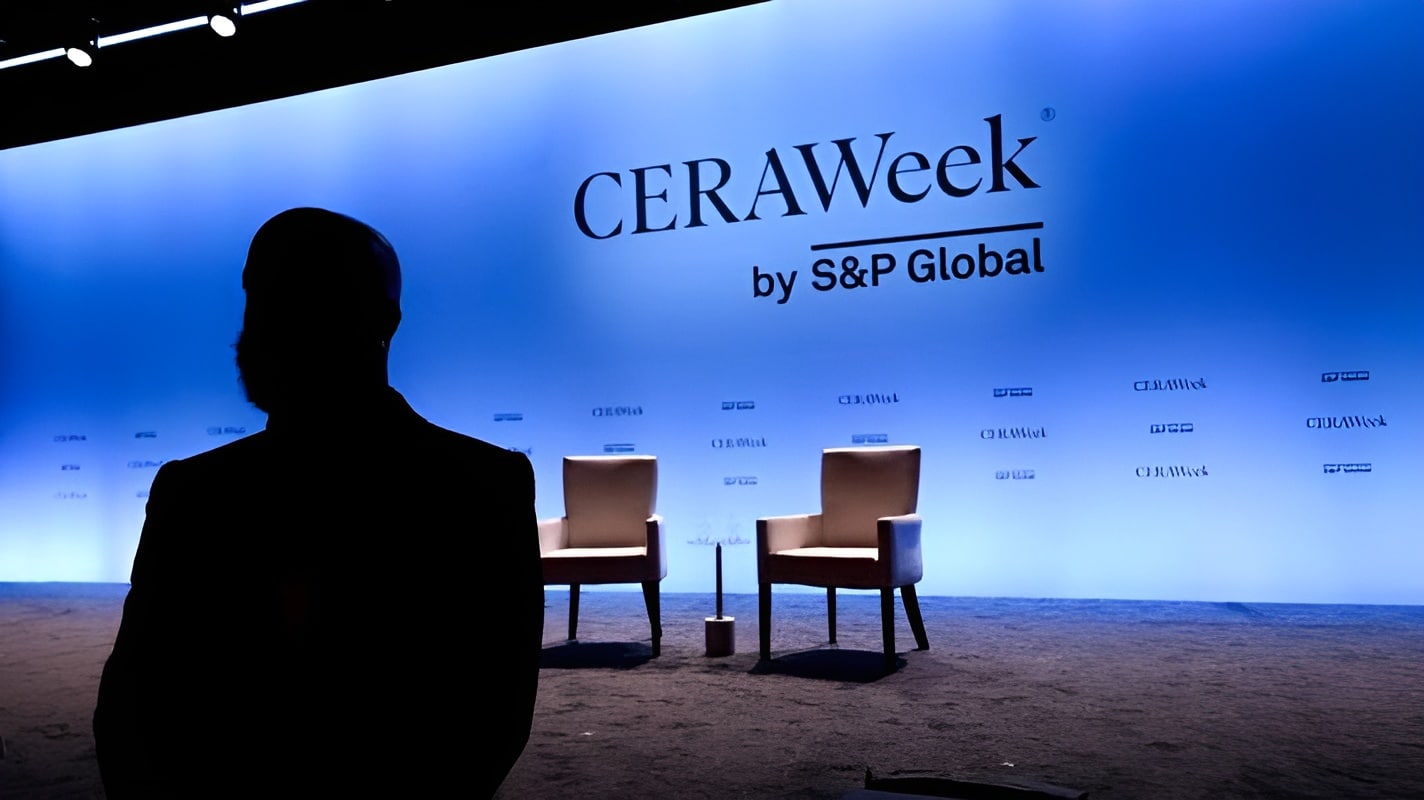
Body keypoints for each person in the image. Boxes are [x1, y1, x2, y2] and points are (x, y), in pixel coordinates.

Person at [93, 207, 544, 798]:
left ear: (382, 321)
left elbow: (487, 723)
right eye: (259, 296)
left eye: (302, 298)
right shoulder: (189, 493)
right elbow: (135, 709)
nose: (264, 324)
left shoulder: (487, 486)